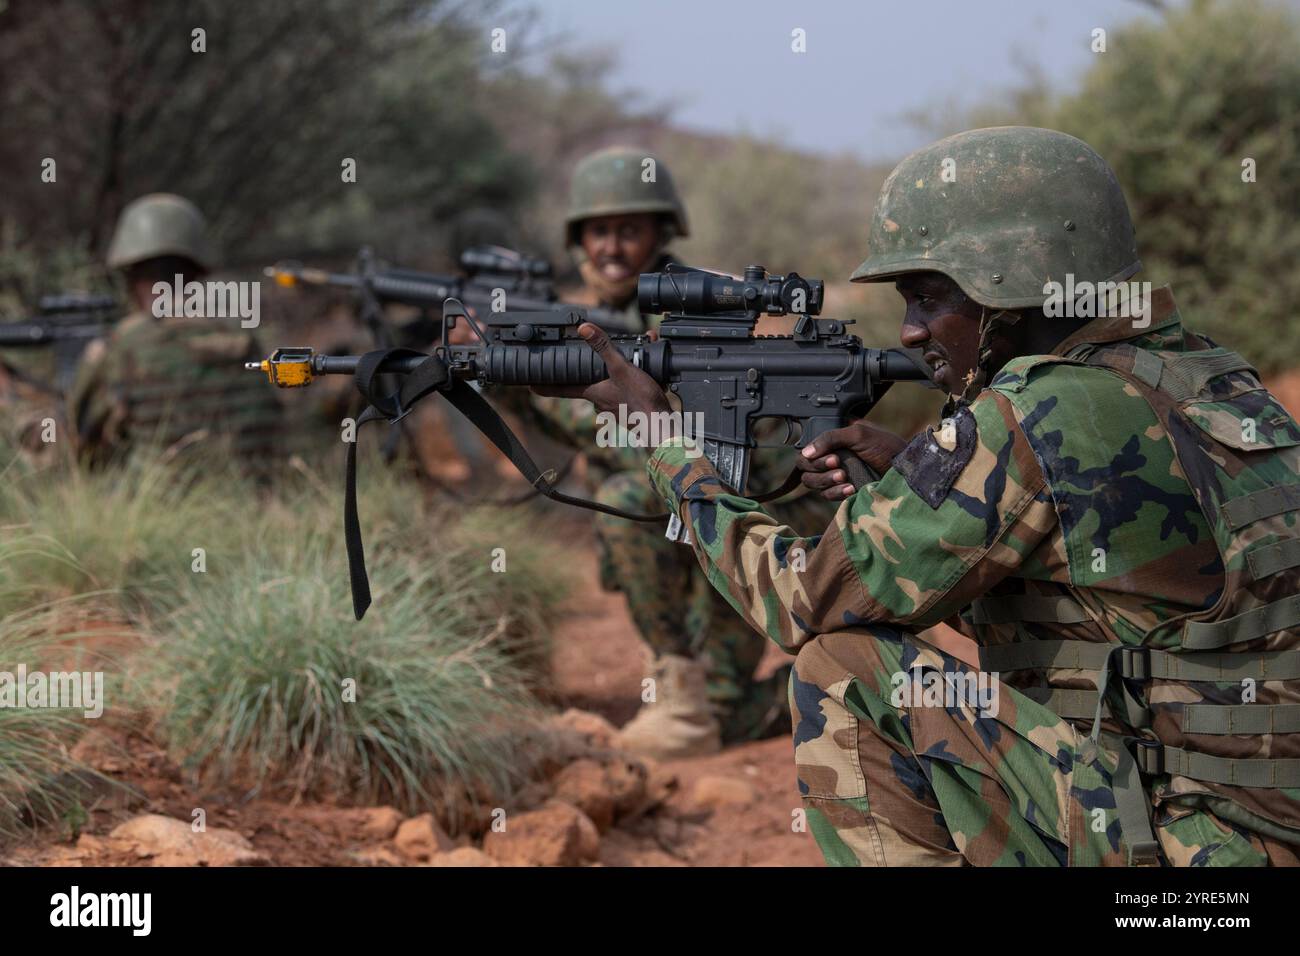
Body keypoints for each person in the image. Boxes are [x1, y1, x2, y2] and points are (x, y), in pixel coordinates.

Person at [555, 126, 1300, 865]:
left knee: (844, 668)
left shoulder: (1036, 412)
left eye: (928, 298)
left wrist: (667, 448)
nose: (910, 333)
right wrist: (919, 468)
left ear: (1008, 288)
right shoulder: (1212, 377)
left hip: (1187, 856)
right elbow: (1095, 606)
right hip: (1260, 827)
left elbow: (798, 603)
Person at [534, 146, 830, 758]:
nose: (611, 248)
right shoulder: (580, 313)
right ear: (577, 241)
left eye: (628, 231)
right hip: (687, 506)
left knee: (640, 492)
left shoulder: (699, 300)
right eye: (598, 233)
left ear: (660, 233)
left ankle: (714, 703)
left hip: (765, 506)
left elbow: (617, 435)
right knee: (641, 497)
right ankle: (695, 688)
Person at [69, 193, 281, 468]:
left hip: (156, 506)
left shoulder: (122, 345)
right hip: (251, 501)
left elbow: (80, 447)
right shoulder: (241, 334)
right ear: (198, 268)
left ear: (130, 274)